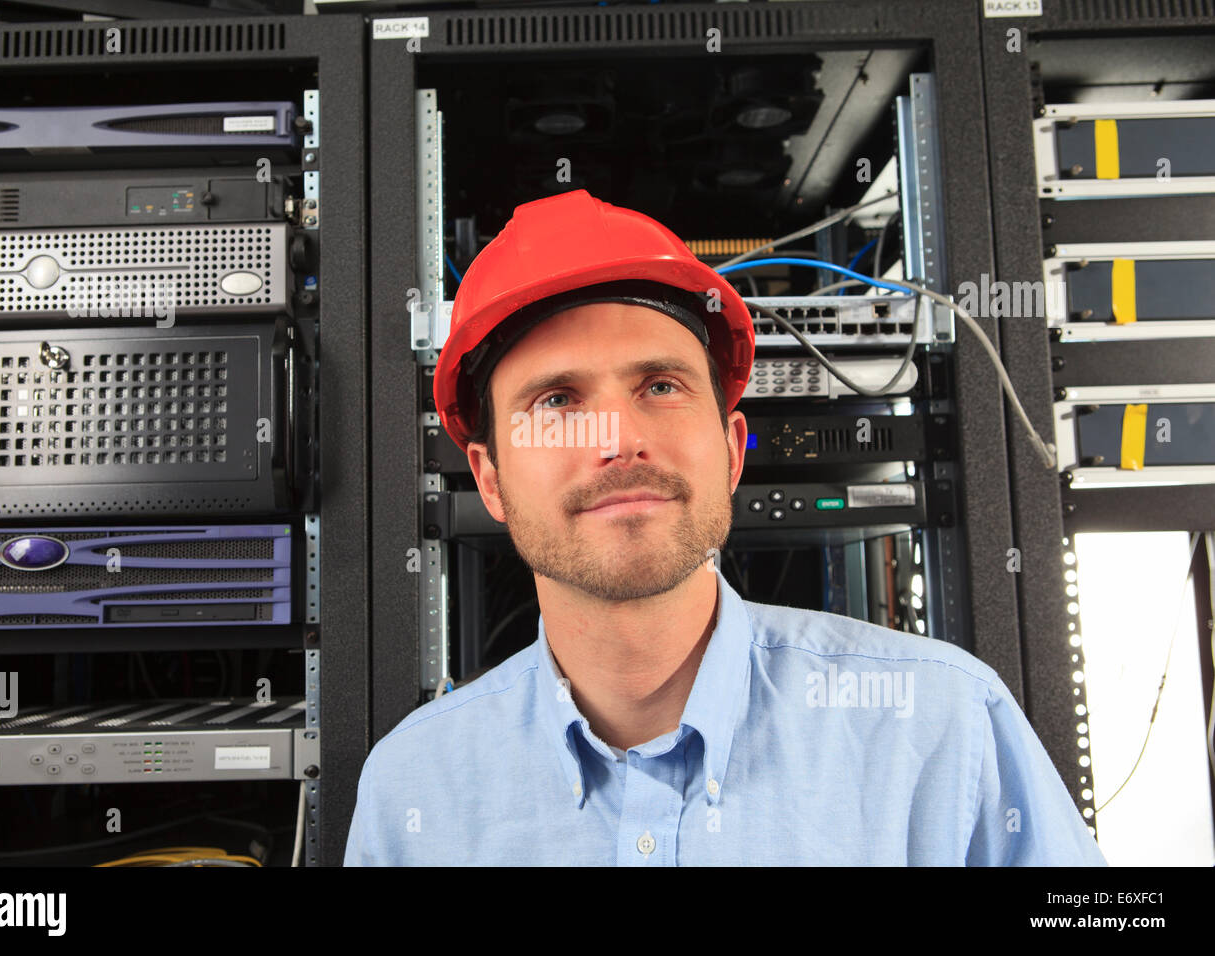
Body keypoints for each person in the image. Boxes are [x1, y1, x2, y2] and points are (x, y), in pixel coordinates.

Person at [344, 189, 1108, 866]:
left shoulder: (943, 729)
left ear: (734, 451)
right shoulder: (412, 789)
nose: (617, 438)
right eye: (557, 402)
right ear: (490, 480)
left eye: (661, 385)